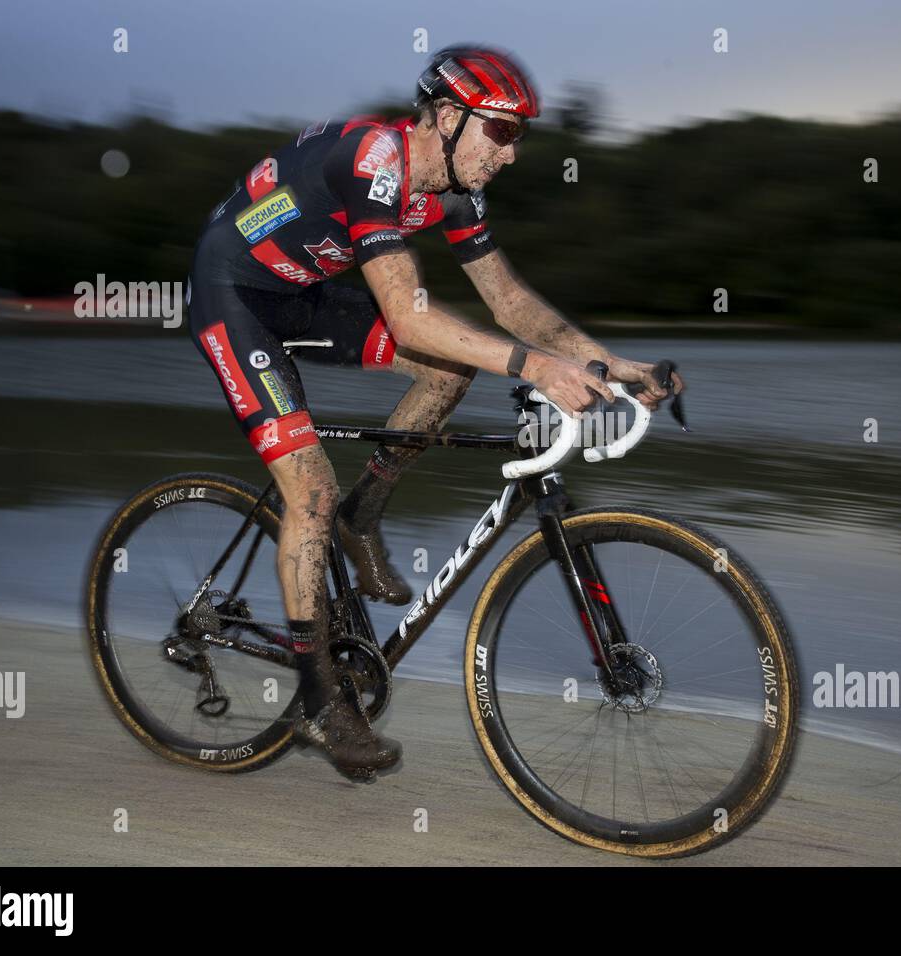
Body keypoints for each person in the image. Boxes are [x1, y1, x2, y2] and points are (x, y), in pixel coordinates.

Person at [185, 45, 684, 775]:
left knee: (451, 370)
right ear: (448, 117)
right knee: (310, 490)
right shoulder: (375, 164)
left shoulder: (452, 189)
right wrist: (537, 368)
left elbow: (511, 305)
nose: (511, 156)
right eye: (503, 133)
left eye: (520, 137)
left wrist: (609, 365)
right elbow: (411, 319)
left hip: (304, 290)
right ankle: (321, 703)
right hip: (234, 292)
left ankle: (364, 514)